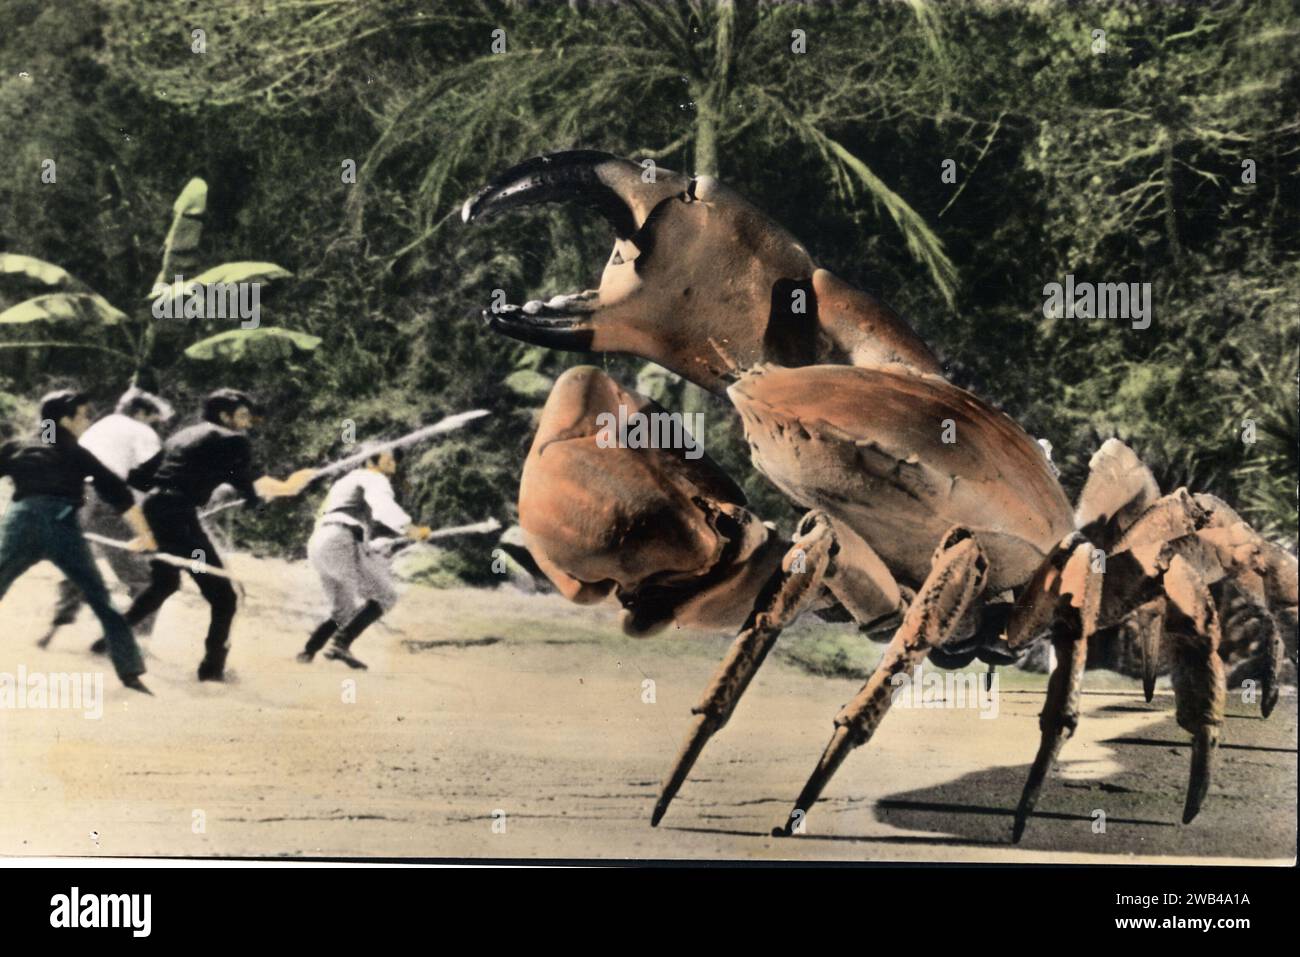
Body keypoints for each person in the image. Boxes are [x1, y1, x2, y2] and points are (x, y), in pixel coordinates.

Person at [123, 389, 315, 682]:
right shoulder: (233, 440)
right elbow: (249, 483)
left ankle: (108, 642)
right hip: (179, 517)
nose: (247, 423)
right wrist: (290, 485)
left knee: (164, 584)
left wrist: (151, 530)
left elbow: (139, 477)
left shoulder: (184, 435)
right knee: (224, 597)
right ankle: (212, 674)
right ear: (225, 416)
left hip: (159, 511)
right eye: (241, 416)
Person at [0, 390, 154, 693]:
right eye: (83, 415)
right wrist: (146, 536)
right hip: (62, 525)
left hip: (20, 522)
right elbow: (119, 495)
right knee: (101, 599)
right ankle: (130, 674)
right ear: (65, 420)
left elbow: (43, 442)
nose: (87, 421)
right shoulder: (76, 452)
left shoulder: (17, 446)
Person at [40, 387, 174, 650]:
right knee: (143, 579)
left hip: (74, 495)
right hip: (104, 499)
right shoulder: (142, 431)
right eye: (152, 417)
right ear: (140, 412)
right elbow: (155, 477)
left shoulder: (101, 424)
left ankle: (54, 630)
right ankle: (137, 642)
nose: (154, 424)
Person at [297, 446, 430, 670]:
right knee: (385, 596)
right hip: (340, 539)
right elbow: (382, 508)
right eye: (389, 456)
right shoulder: (373, 477)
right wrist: (410, 529)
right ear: (370, 460)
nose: (393, 462)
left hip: (321, 542)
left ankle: (308, 652)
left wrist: (371, 547)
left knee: (344, 610)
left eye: (395, 458)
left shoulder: (344, 482)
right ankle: (340, 644)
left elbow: (347, 521)